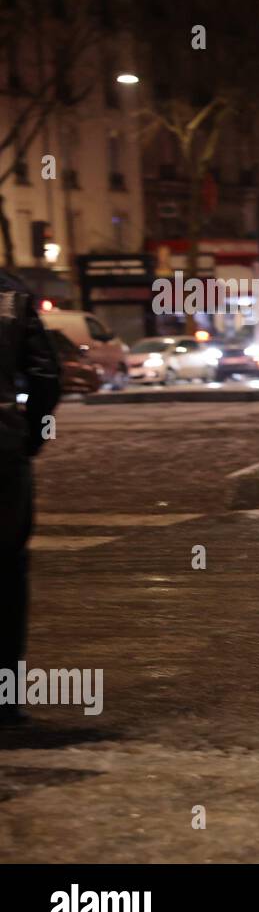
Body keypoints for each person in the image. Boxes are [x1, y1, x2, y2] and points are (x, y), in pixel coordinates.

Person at [0, 272, 61, 727]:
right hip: (3, 445)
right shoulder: (12, 292)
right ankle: (4, 696)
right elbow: (46, 375)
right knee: (7, 570)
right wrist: (31, 437)